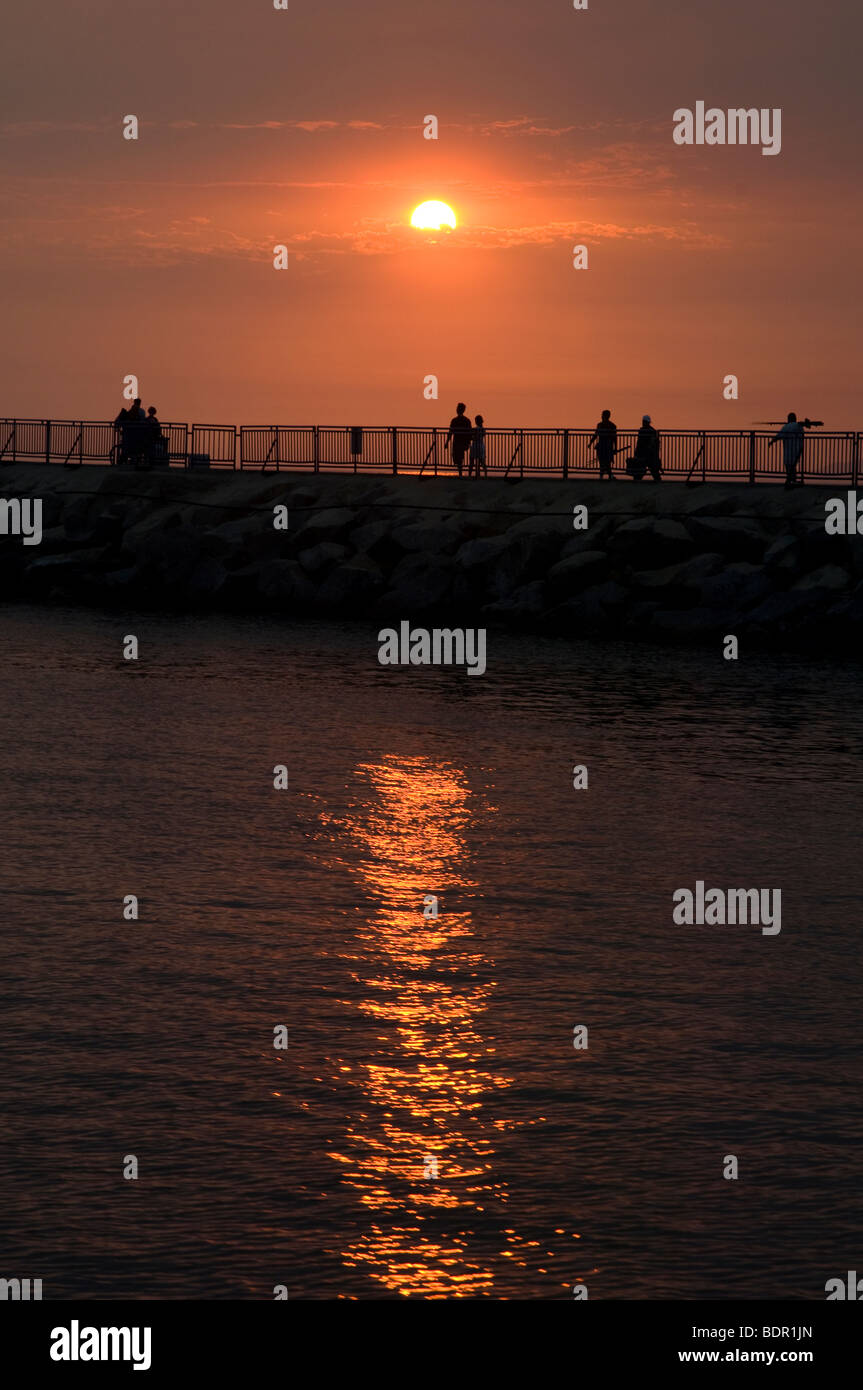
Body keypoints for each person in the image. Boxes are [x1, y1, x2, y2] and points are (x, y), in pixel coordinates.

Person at [769, 411, 810, 488]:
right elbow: (803, 433)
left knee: (789, 465)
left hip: (788, 449)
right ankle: (792, 481)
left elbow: (779, 435)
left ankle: (790, 481)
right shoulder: (798, 426)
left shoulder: (786, 427)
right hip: (797, 449)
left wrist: (771, 442)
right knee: (793, 465)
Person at [629, 414, 662, 481]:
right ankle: (655, 479)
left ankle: (638, 479)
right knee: (648, 468)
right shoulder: (651, 430)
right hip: (647, 453)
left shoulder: (646, 430)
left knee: (645, 468)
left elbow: (640, 442)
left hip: (646, 453)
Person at [588, 409, 618, 479]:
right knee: (604, 462)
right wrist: (590, 443)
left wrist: (590, 443)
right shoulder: (611, 425)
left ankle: (605, 476)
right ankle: (608, 476)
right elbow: (596, 434)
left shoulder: (604, 425)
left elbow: (614, 438)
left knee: (605, 463)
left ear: (605, 416)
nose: (601, 416)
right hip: (604, 446)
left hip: (605, 446)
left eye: (602, 415)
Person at [446, 403, 473, 476]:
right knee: (459, 457)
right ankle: (460, 472)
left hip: (458, 441)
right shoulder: (467, 420)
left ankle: (460, 473)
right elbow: (470, 431)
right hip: (463, 441)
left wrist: (447, 442)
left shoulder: (454, 420)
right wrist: (469, 441)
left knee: (458, 457)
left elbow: (450, 432)